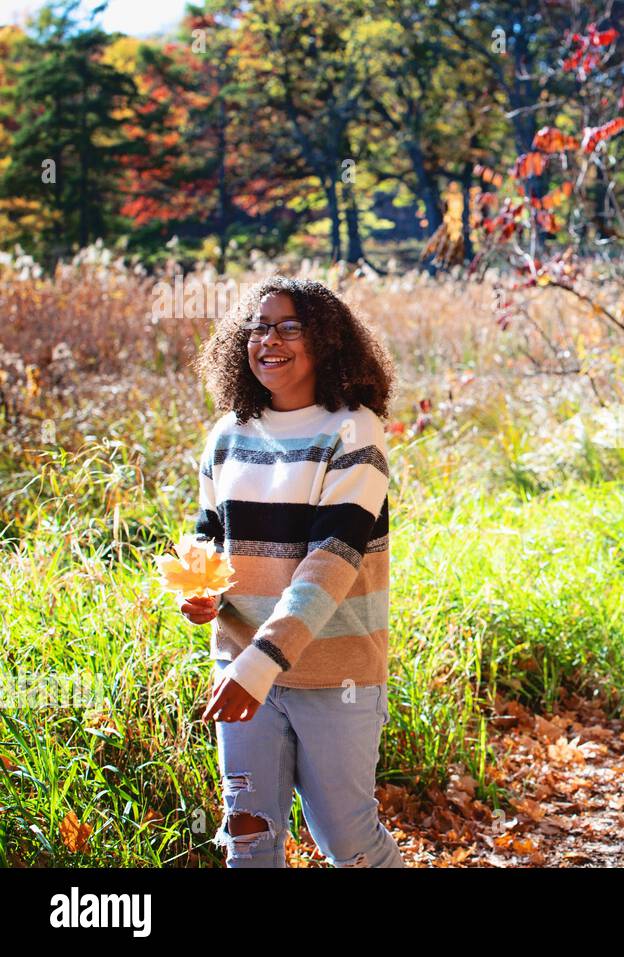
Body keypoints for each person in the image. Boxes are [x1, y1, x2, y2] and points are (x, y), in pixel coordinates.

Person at [179, 275, 404, 867]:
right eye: (257, 327)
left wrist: (259, 663)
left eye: (288, 326)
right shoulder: (227, 436)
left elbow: (331, 561)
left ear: (326, 340)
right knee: (248, 839)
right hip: (241, 670)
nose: (267, 339)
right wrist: (201, 590)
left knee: (347, 839)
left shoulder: (354, 432)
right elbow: (208, 535)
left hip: (335, 672)